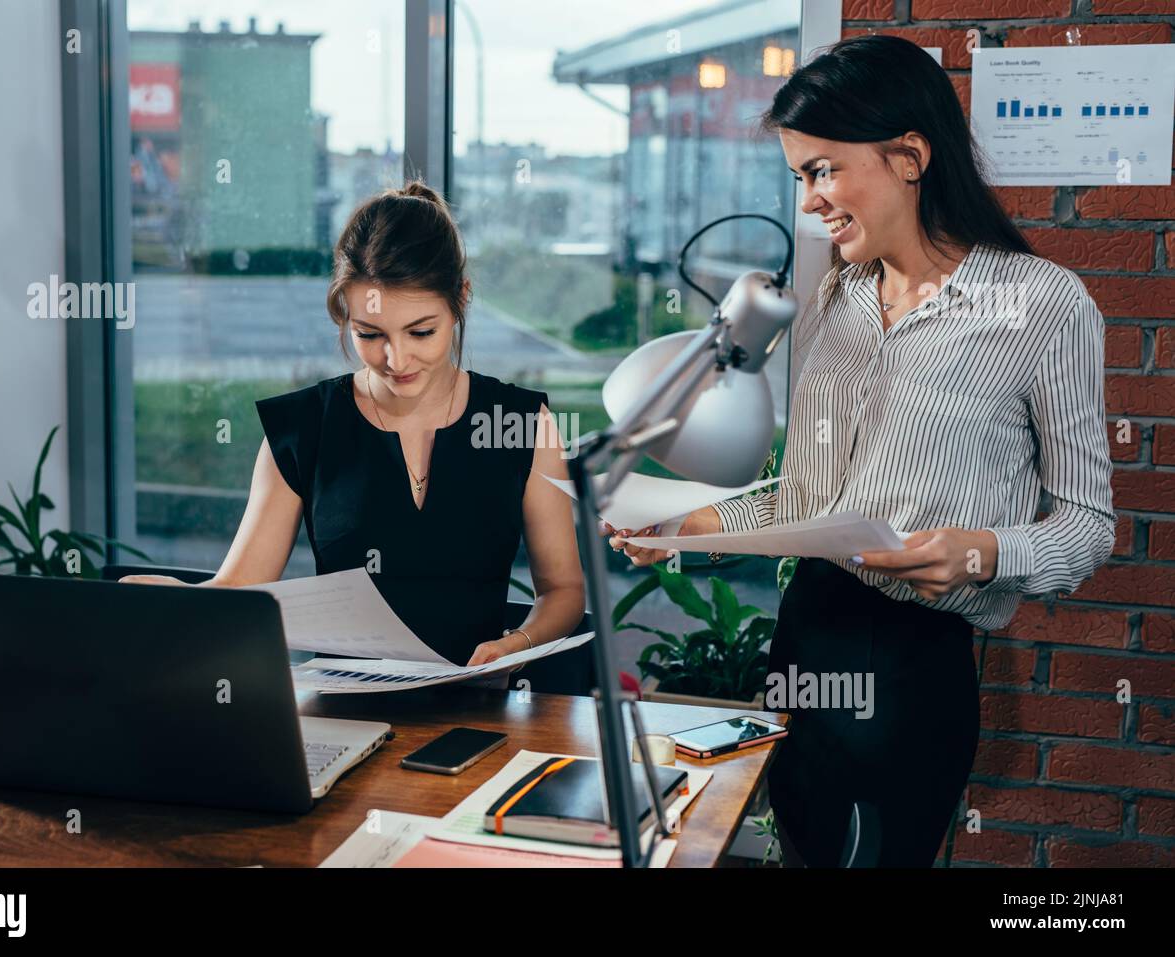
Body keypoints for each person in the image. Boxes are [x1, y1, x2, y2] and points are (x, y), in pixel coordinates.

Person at [609, 35, 1115, 866]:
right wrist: (685, 526)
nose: (809, 201)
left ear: (909, 156)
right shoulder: (834, 301)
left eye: (822, 171)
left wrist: (983, 552)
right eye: (799, 176)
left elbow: (1090, 525)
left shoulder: (1043, 305)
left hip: (914, 667)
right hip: (805, 632)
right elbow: (810, 503)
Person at [123, 181, 586, 668]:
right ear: (345, 315)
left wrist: (519, 643)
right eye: (370, 334)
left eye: (421, 332)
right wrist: (182, 598)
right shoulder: (304, 428)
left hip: (483, 715)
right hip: (346, 716)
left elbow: (563, 590)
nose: (396, 358)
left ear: (461, 301)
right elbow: (239, 590)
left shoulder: (521, 423)